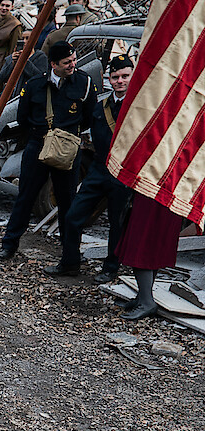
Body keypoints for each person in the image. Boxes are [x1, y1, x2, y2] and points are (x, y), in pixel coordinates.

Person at [0, 41, 98, 261]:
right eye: (67, 62)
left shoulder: (84, 83)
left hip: (67, 149)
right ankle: (9, 245)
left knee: (67, 202)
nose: (73, 65)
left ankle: (70, 254)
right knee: (25, 198)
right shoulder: (35, 85)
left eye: (74, 60)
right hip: (37, 146)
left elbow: (89, 117)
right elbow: (22, 118)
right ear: (53, 64)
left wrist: (66, 134)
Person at [48, 54, 134, 280]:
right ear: (109, 78)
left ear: (133, 77)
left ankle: (110, 268)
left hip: (123, 173)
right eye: (115, 77)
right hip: (98, 170)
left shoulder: (139, 108)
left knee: (117, 223)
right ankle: (70, 263)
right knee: (72, 217)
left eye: (125, 76)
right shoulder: (101, 106)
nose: (120, 81)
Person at [116, 194, 192, 321]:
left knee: (143, 244)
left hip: (162, 194)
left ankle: (146, 301)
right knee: (151, 243)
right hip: (166, 195)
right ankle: (143, 296)